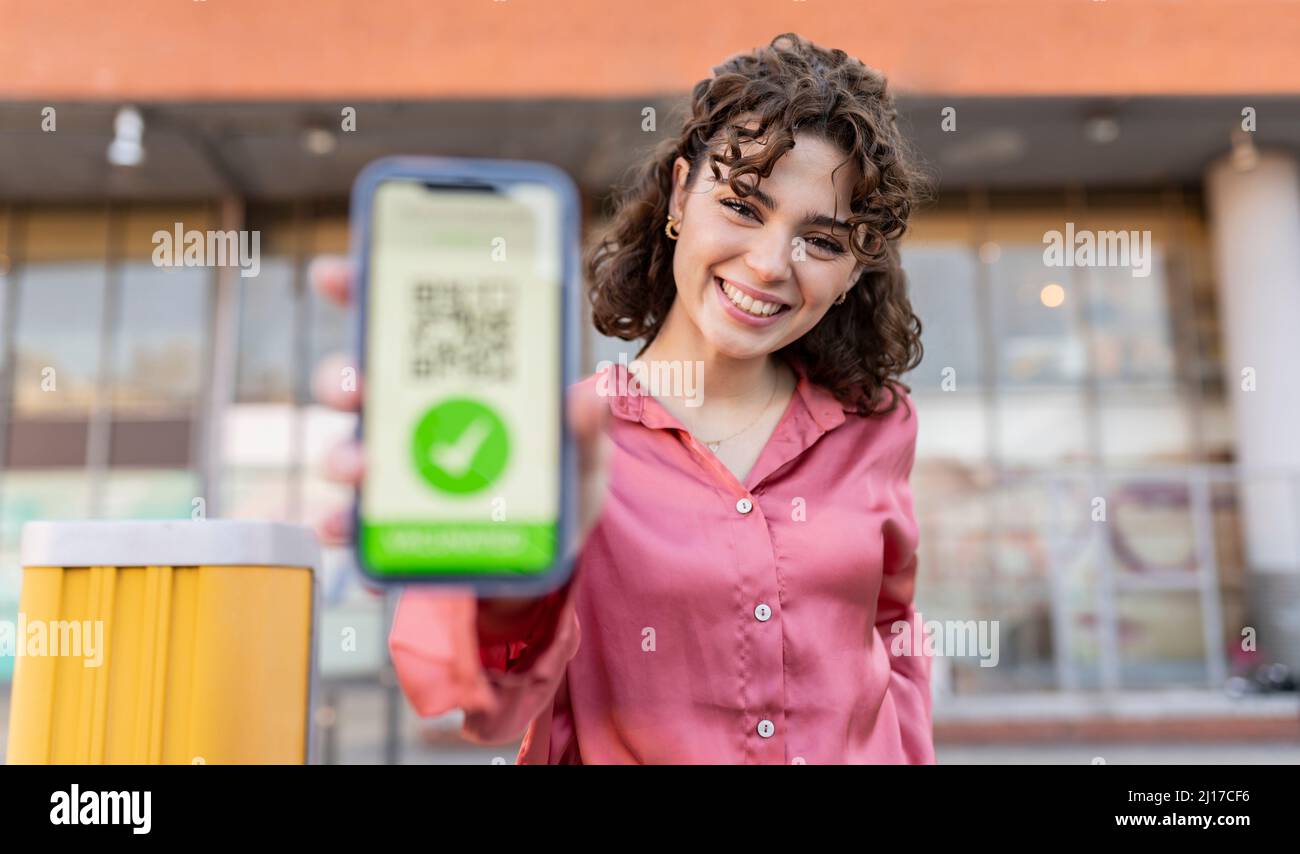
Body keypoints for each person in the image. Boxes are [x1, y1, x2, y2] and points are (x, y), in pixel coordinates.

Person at [311, 32, 932, 764]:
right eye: (741, 206)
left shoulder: (877, 428)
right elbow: (472, 696)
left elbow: (894, 633)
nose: (769, 266)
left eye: (823, 243)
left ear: (856, 270)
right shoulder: (561, 444)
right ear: (679, 194)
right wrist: (516, 569)